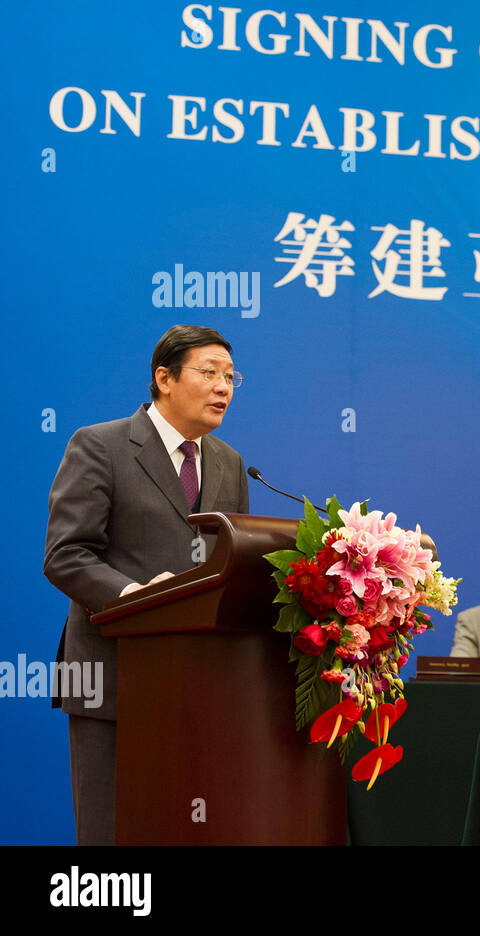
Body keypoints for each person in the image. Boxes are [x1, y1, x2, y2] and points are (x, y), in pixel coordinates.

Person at [44, 325, 250, 845]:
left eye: (231, 377)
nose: (223, 386)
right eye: (209, 373)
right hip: (111, 676)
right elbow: (66, 554)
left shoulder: (229, 463)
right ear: (164, 378)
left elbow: (233, 567)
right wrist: (134, 598)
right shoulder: (100, 445)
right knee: (111, 833)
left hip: (198, 683)